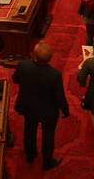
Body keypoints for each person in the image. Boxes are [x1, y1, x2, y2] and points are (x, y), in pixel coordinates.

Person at [12, 41, 69, 169]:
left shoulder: (23, 66)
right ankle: (47, 161)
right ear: (49, 59)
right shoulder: (55, 75)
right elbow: (60, 96)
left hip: (29, 107)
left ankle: (30, 155)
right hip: (48, 111)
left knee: (29, 130)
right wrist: (65, 111)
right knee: (48, 135)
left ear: (34, 55)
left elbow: (15, 79)